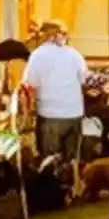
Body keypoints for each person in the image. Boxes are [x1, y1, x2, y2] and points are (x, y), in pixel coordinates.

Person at [21, 20, 87, 161]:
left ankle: (52, 181)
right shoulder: (74, 54)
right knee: (72, 161)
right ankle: (72, 181)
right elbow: (84, 79)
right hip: (74, 113)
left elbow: (30, 84)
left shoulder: (37, 55)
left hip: (49, 115)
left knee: (50, 161)